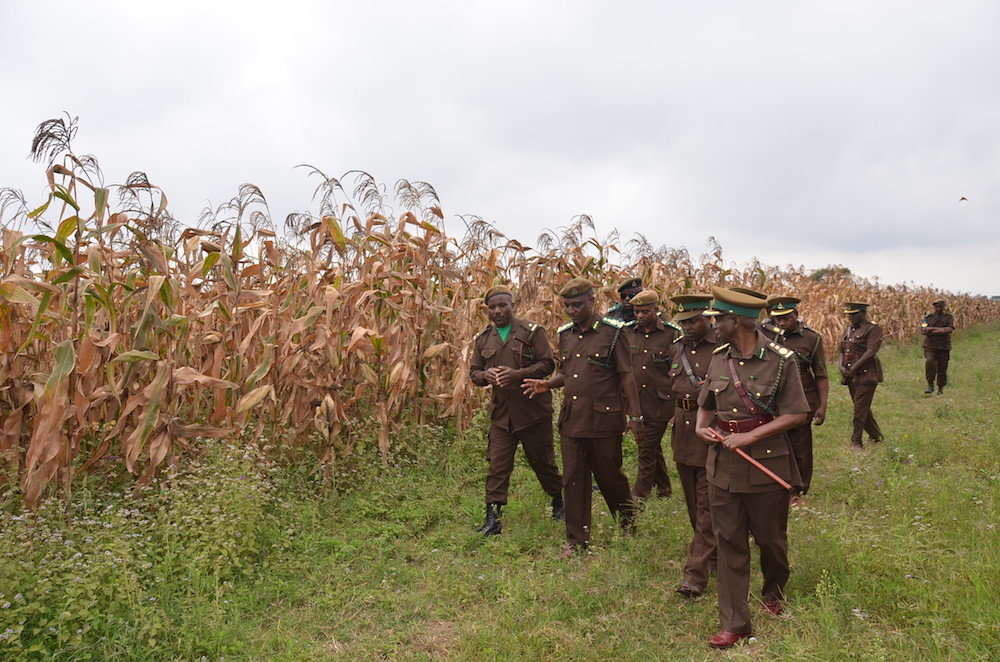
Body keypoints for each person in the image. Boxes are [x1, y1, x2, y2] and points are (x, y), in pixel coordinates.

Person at [694, 287, 809, 650]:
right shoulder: (717, 357)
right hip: (722, 466)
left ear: (737, 321)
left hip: (765, 464)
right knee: (729, 543)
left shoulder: (780, 359)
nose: (712, 324)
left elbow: (797, 413)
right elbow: (706, 402)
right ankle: (735, 623)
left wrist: (752, 436)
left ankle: (774, 590)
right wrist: (701, 427)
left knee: (770, 540)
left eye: (718, 319)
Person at [523, 277, 643, 559]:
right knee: (573, 479)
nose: (572, 310)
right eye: (567, 306)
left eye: (577, 304)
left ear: (591, 301)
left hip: (604, 419)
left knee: (609, 474)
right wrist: (548, 384)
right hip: (573, 419)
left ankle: (627, 522)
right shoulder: (566, 333)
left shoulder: (613, 333)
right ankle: (576, 539)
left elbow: (626, 375)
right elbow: (568, 372)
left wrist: (635, 416)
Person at [469, 285, 564, 536]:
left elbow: (547, 365)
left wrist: (518, 374)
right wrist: (486, 375)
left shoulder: (532, 332)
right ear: (487, 310)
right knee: (497, 465)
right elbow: (474, 373)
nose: (498, 311)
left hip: (532, 411)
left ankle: (558, 499)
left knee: (543, 463)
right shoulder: (483, 339)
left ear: (513, 306)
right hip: (502, 414)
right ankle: (493, 519)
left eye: (503, 305)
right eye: (492, 307)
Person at [666, 293, 719, 599]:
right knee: (693, 506)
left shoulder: (722, 350)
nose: (687, 326)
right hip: (683, 429)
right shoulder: (676, 349)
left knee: (706, 506)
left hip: (710, 431)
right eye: (683, 322)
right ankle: (714, 556)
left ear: (708, 318)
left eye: (693, 320)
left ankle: (694, 576)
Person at [765, 295, 829, 504]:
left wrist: (822, 405)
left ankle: (798, 488)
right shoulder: (767, 336)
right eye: (777, 319)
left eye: (786, 318)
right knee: (777, 444)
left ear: (796, 315)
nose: (782, 323)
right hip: (774, 400)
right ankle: (779, 484)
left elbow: (820, 374)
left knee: (800, 446)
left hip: (803, 399)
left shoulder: (811, 338)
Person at [626, 289, 676, 502]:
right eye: (636, 311)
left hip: (660, 402)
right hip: (636, 401)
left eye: (645, 311)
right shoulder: (628, 332)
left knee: (646, 448)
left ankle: (639, 498)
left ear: (656, 309)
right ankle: (664, 489)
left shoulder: (671, 333)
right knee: (650, 447)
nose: (639, 316)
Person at [838, 302, 885, 450]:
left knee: (859, 409)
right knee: (862, 407)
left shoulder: (872, 329)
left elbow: (871, 351)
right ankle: (876, 436)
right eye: (849, 314)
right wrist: (841, 366)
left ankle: (856, 441)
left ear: (863, 313)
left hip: (866, 374)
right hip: (851, 375)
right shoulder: (849, 329)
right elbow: (842, 349)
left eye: (854, 314)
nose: (851, 317)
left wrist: (855, 368)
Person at [921, 298, 954, 395]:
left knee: (942, 367)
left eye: (941, 307)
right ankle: (930, 385)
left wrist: (932, 329)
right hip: (930, 345)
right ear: (934, 307)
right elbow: (923, 330)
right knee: (930, 362)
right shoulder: (928, 317)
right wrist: (941, 330)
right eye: (937, 307)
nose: (939, 308)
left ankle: (940, 388)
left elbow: (949, 329)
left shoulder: (948, 317)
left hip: (944, 346)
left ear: (944, 307)